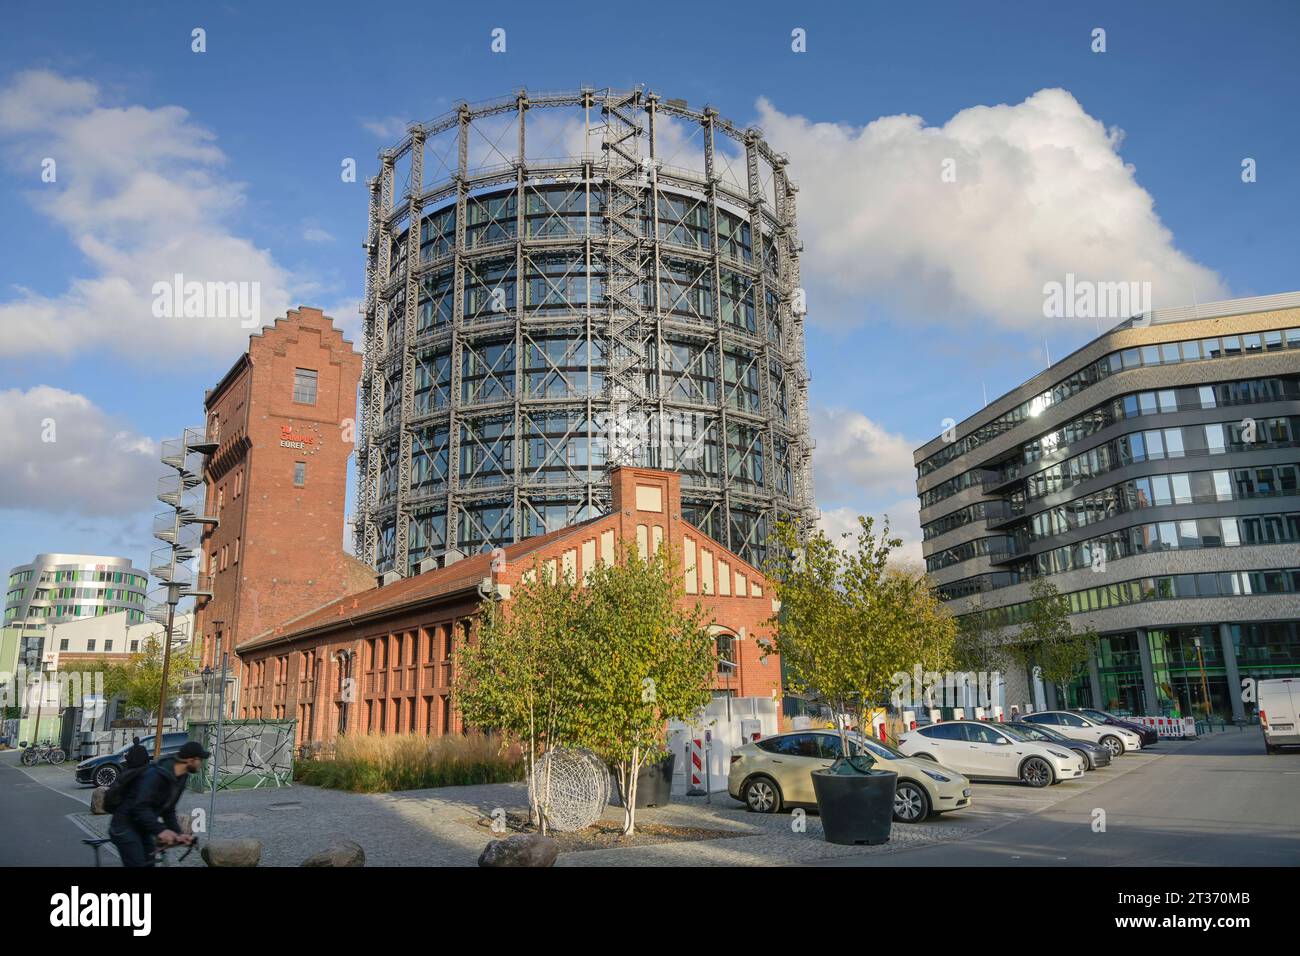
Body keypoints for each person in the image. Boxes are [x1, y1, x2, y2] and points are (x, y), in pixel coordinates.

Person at [109, 740, 209, 866]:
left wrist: (178, 834)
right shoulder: (156, 775)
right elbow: (140, 807)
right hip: (124, 825)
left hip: (143, 826)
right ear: (190, 760)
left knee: (150, 864)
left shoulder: (181, 777)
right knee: (137, 864)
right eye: (200, 759)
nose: (201, 763)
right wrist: (161, 831)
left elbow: (169, 810)